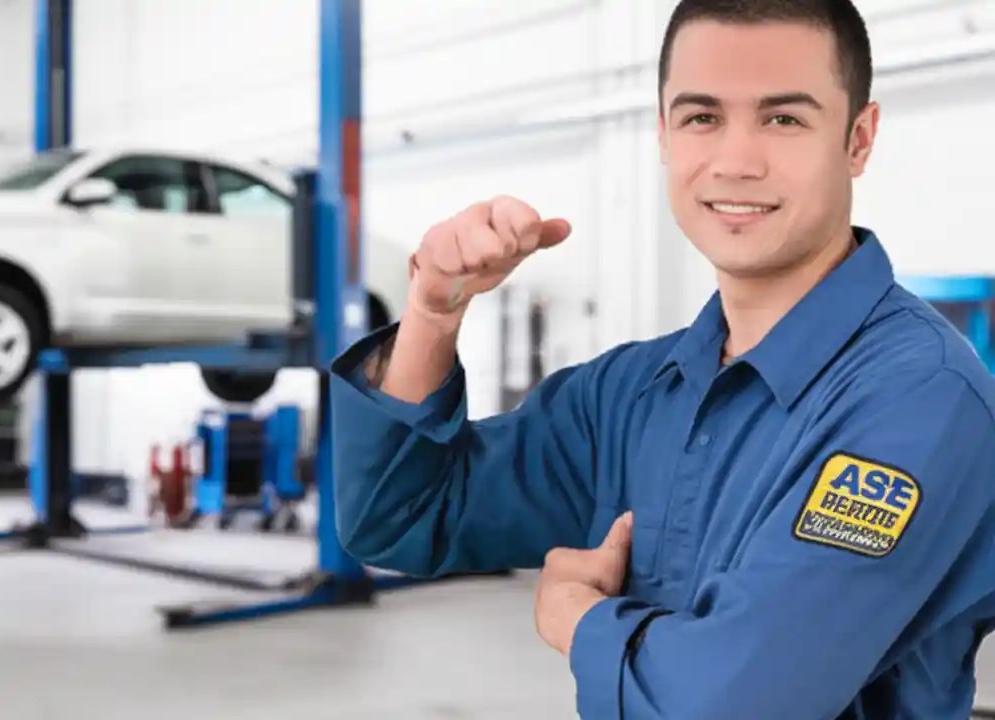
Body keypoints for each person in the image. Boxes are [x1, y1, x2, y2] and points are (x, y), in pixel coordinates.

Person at [327, 0, 995, 718]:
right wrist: (433, 315)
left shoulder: (919, 400)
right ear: (664, 136)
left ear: (857, 140)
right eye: (702, 117)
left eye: (783, 119)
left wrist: (576, 618)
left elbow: (735, 704)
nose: (736, 162)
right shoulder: (632, 396)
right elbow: (399, 515)